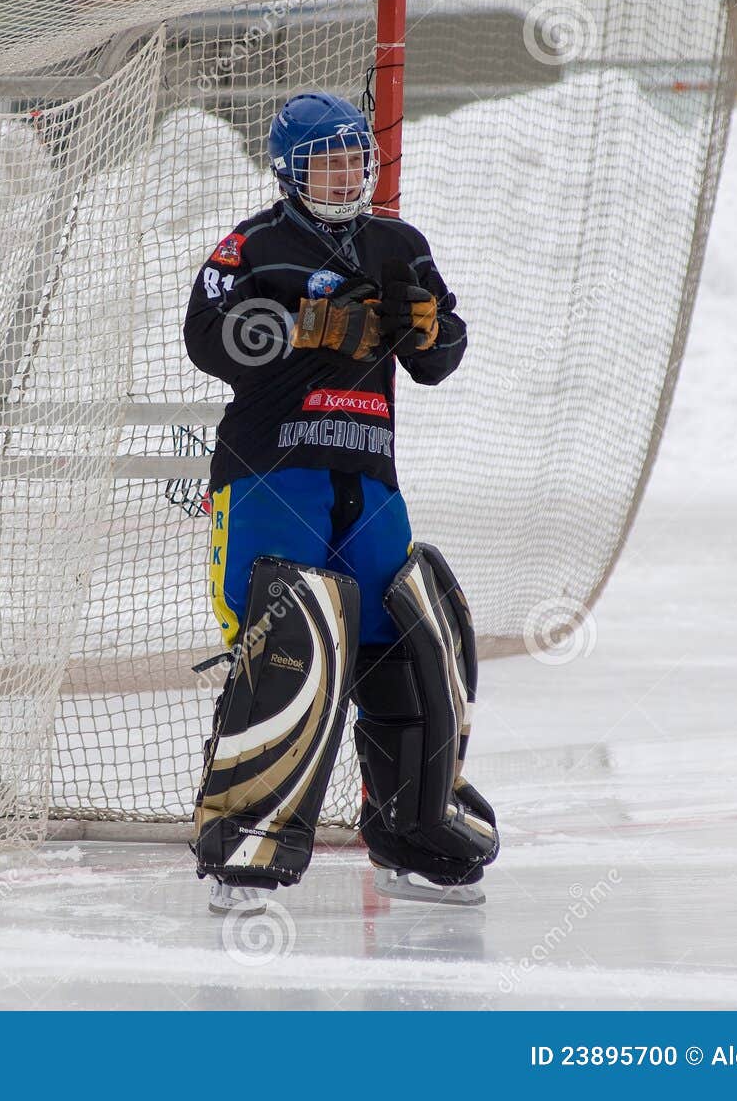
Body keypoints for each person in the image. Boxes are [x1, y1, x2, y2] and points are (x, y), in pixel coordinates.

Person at [184, 91, 499, 914]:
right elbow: (207, 340)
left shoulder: (399, 245)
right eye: (326, 161)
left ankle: (412, 837)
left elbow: (441, 354)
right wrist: (304, 327)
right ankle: (244, 855)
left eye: (356, 159)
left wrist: (430, 330)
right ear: (289, 170)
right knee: (285, 641)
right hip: (272, 471)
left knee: (408, 642)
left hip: (370, 475)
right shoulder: (252, 245)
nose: (345, 175)